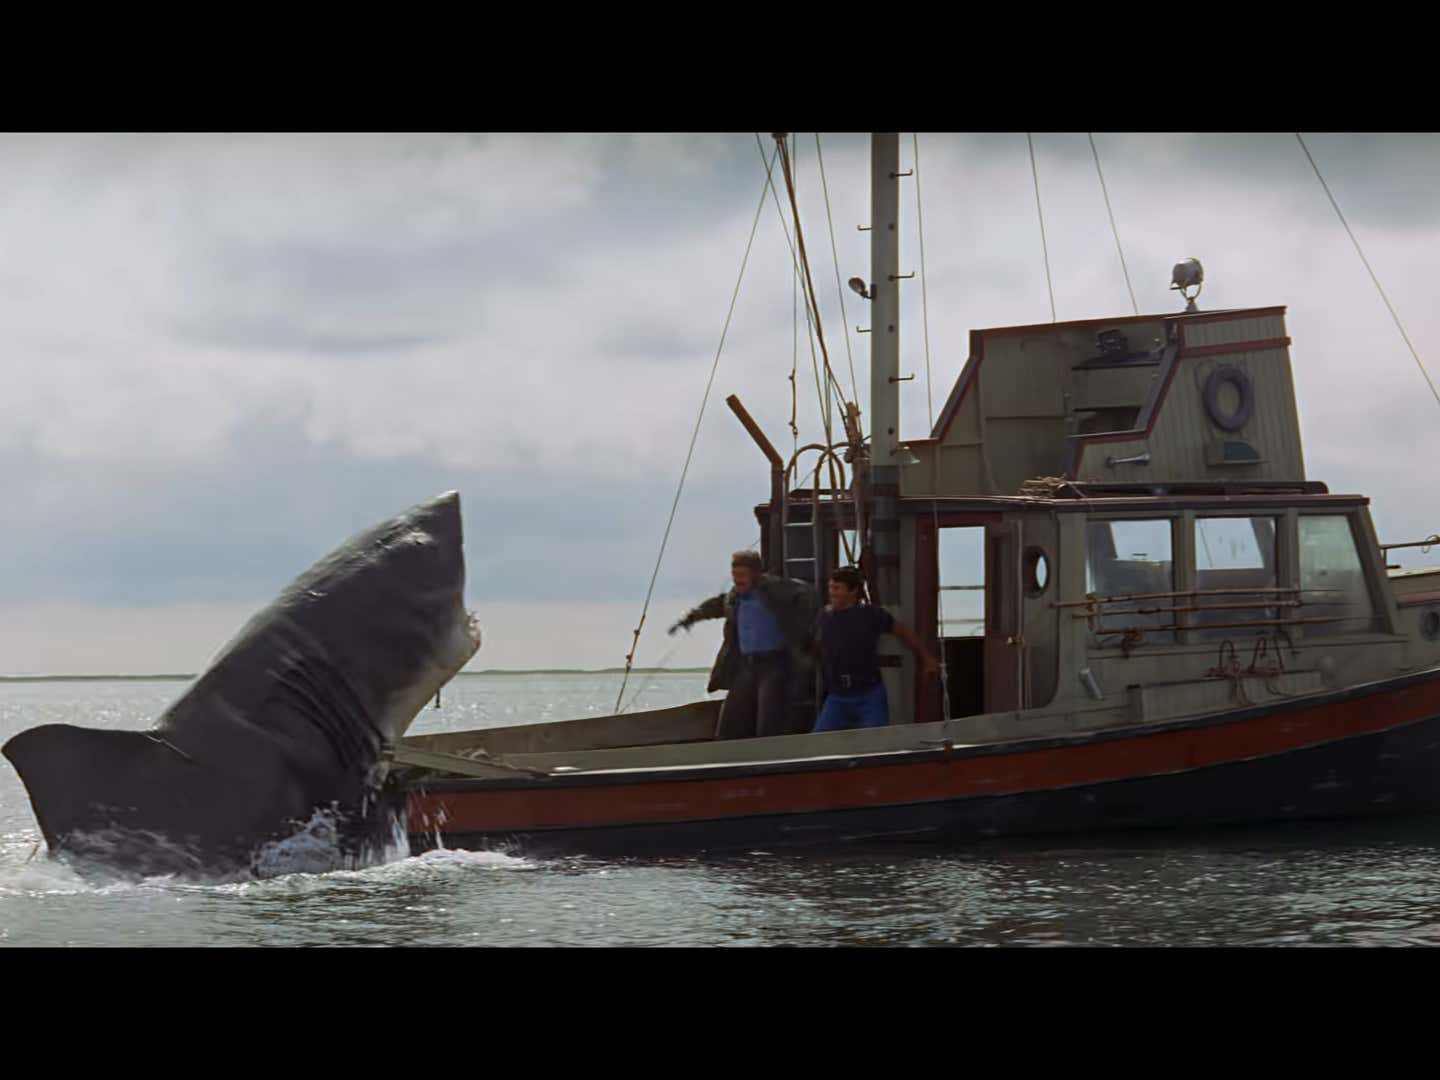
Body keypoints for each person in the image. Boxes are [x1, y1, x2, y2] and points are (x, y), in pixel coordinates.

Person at [669, 549, 816, 740]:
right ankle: (727, 760)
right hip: (746, 666)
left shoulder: (775, 590)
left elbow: (805, 593)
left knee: (769, 723)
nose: (738, 580)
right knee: (730, 722)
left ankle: (771, 759)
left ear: (756, 574)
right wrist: (690, 618)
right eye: (734, 575)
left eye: (742, 575)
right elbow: (714, 605)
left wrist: (802, 630)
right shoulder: (735, 597)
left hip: (774, 665)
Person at [812, 566, 939, 733]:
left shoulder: (872, 615)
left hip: (869, 695)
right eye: (830, 587)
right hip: (837, 696)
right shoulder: (824, 617)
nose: (831, 593)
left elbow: (904, 633)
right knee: (818, 742)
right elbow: (816, 645)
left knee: (878, 743)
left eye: (837, 588)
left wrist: (927, 658)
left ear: (853, 591)